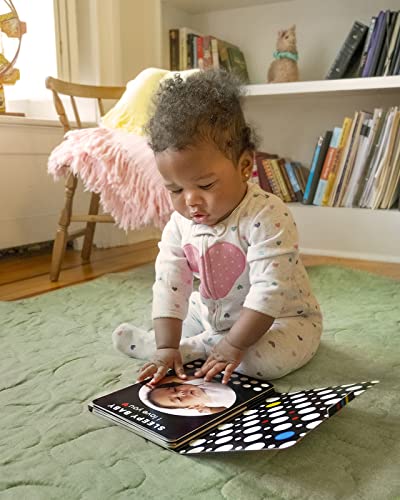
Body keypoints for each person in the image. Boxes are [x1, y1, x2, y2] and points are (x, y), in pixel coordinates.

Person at [112, 69, 323, 387]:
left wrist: (233, 346)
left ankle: (196, 347)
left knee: (262, 362)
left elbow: (270, 292)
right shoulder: (180, 223)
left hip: (283, 319)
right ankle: (174, 348)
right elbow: (170, 284)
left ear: (245, 167)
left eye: (205, 184)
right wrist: (167, 345)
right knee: (189, 309)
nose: (191, 201)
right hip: (215, 312)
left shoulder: (268, 216)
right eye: (175, 190)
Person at [144, 375, 231, 414]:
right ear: (192, 407)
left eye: (175, 389)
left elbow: (176, 378)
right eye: (178, 399)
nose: (180, 393)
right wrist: (208, 409)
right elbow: (225, 411)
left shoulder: (199, 382)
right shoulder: (212, 405)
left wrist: (155, 382)